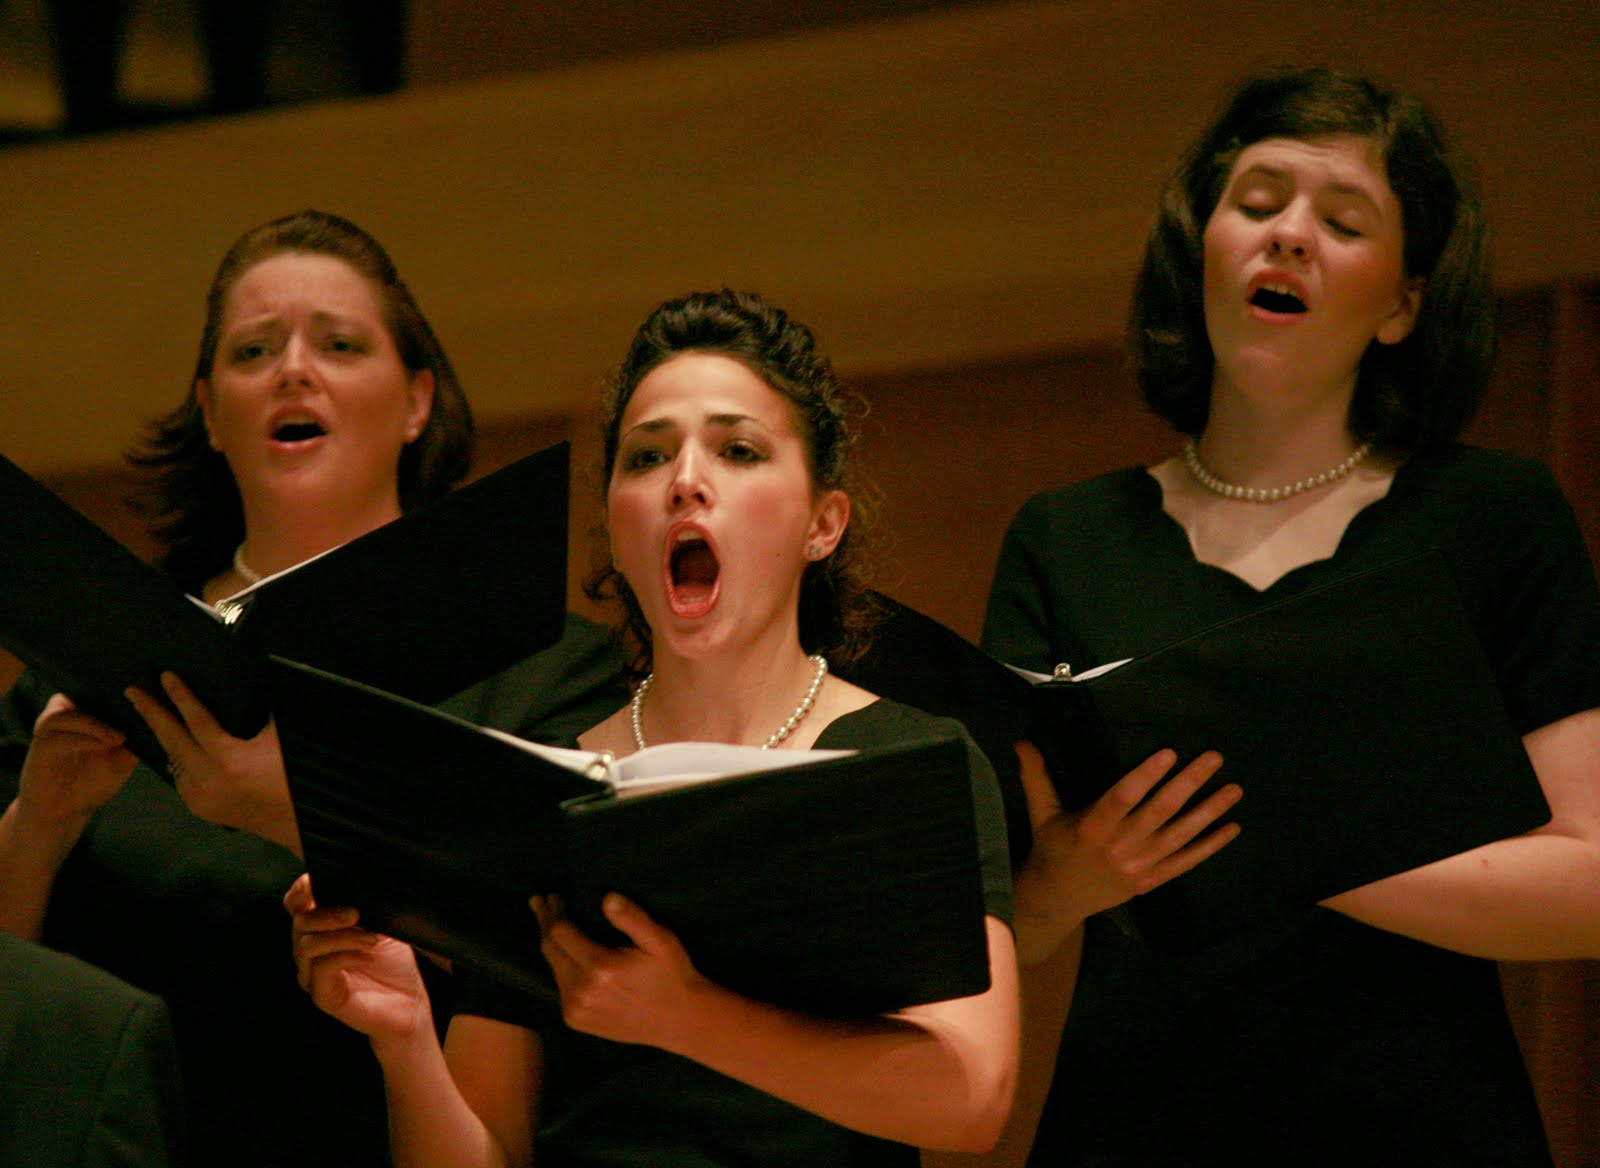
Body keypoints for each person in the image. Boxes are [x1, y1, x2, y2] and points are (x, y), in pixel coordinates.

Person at [982, 66, 1600, 1165]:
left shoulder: (1493, 517)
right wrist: (1069, 879)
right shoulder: (1062, 538)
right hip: (1133, 1124)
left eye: (1343, 220)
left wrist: (1273, 844)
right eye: (1257, 204)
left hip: (1420, 1125)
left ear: (1404, 301)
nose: (1289, 238)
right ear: (1203, 249)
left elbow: (1588, 881)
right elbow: (1002, 922)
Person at [288, 288, 1020, 1166]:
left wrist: (685, 1018)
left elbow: (972, 1101)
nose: (684, 482)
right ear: (617, 528)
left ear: (822, 525)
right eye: (646, 457)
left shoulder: (911, 761)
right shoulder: (541, 780)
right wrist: (403, 1035)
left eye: (738, 449)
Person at [0, 209, 627, 1166]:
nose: (295, 368)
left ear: (417, 401)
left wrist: (284, 812)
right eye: (256, 350)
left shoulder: (541, 671)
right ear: (211, 410)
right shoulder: (87, 672)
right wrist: (34, 831)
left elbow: (559, 958)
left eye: (339, 343)